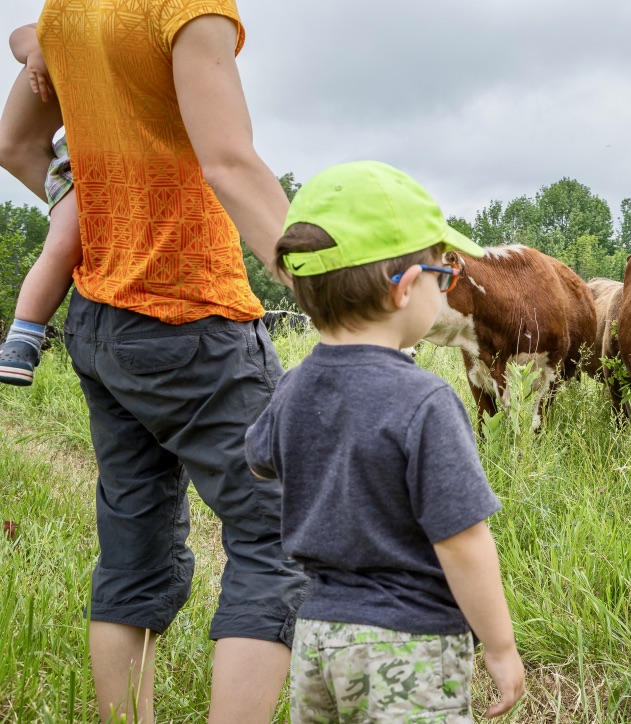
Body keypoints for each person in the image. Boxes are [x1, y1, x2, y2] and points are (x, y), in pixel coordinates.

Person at [35, 2, 307, 722]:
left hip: (99, 319)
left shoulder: (63, 11)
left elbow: (13, 145)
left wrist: (97, 211)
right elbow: (228, 160)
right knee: (280, 536)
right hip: (191, 314)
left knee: (132, 548)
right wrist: (326, 288)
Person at [245, 160, 526, 722]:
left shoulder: (294, 386)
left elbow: (259, 461)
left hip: (317, 638)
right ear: (404, 290)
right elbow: (462, 540)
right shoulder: (425, 401)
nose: (443, 290)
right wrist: (499, 646)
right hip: (410, 643)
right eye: (442, 277)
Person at [0, 22, 81, 386]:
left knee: (70, 241)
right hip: (80, 165)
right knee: (64, 242)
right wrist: (36, 47)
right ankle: (24, 335)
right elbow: (20, 35)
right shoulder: (69, 25)